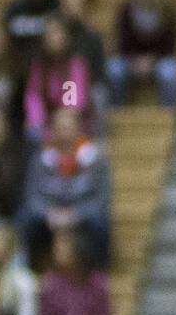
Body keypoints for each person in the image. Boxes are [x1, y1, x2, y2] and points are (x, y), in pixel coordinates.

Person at [17, 106, 113, 270]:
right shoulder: (40, 160)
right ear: (52, 130)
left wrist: (75, 215)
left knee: (100, 223)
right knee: (25, 220)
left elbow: (102, 200)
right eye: (60, 128)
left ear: (79, 129)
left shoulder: (96, 159)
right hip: (49, 217)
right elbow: (32, 197)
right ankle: (28, 271)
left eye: (68, 127)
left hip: (83, 216)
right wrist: (50, 214)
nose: (64, 132)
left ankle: (99, 275)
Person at [105, 0, 176, 107]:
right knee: (113, 69)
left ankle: (169, 116)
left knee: (170, 72)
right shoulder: (125, 9)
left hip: (159, 60)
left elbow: (170, 43)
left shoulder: (168, 10)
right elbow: (122, 40)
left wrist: (151, 60)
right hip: (130, 59)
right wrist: (135, 60)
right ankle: (118, 112)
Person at [23, 14, 97, 141]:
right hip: (45, 123)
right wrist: (37, 121)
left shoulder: (76, 65)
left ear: (66, 37)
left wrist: (60, 125)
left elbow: (74, 100)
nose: (54, 38)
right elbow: (33, 97)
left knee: (68, 131)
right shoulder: (39, 66)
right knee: (32, 133)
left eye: (58, 33)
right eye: (50, 34)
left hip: (73, 121)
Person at [3, 0, 60, 66]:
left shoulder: (56, 9)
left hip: (50, 67)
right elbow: (6, 42)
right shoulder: (14, 10)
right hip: (19, 67)